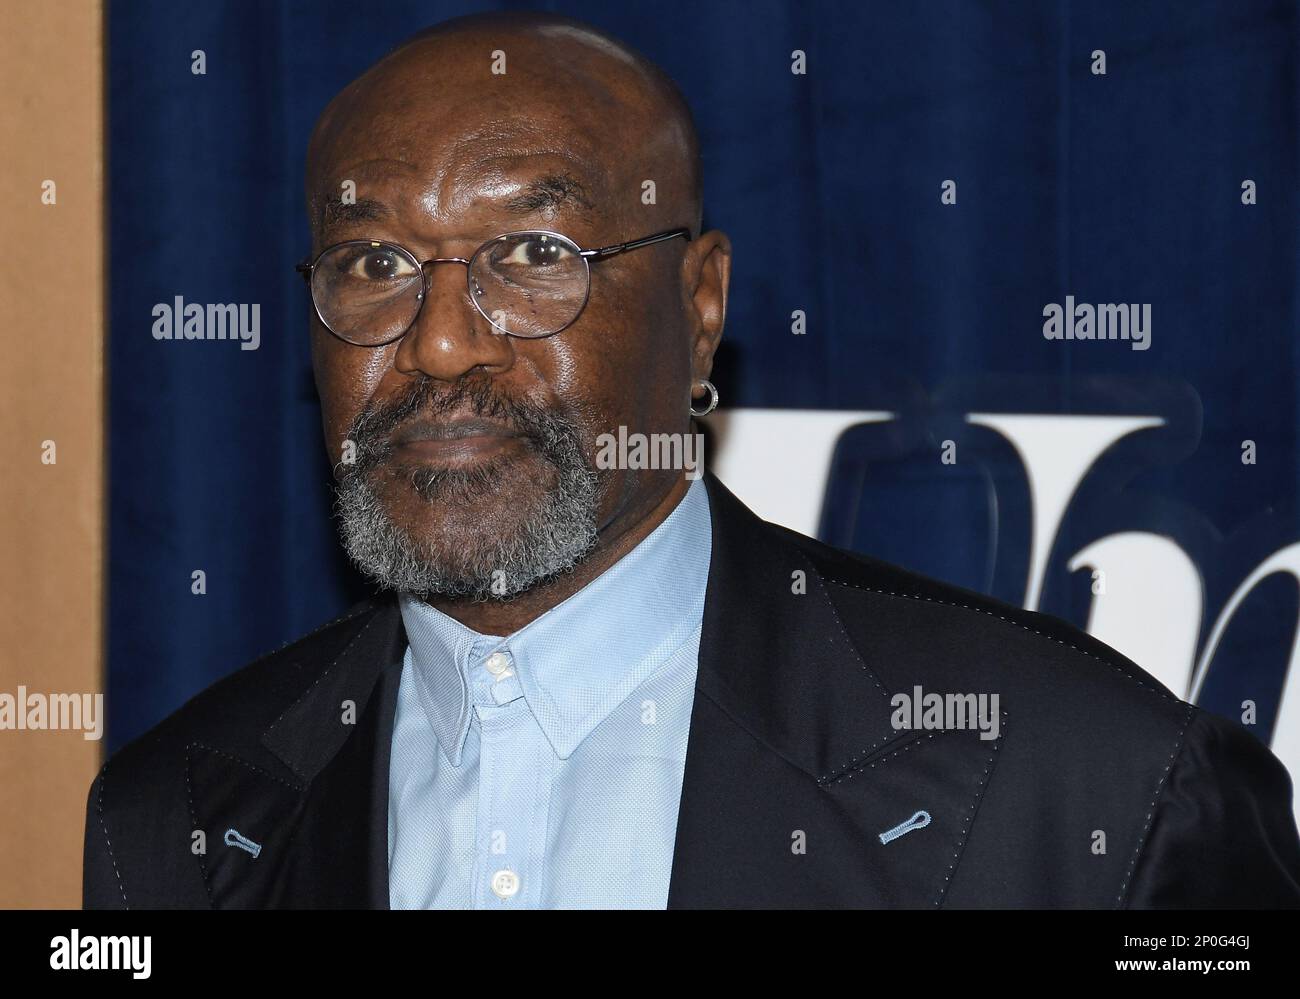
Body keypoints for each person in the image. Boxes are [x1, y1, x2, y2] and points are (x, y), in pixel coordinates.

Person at [84, 11, 1300, 909]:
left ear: (700, 302)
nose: (442, 341)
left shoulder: (1095, 790)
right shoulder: (166, 830)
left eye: (532, 250)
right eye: (374, 266)